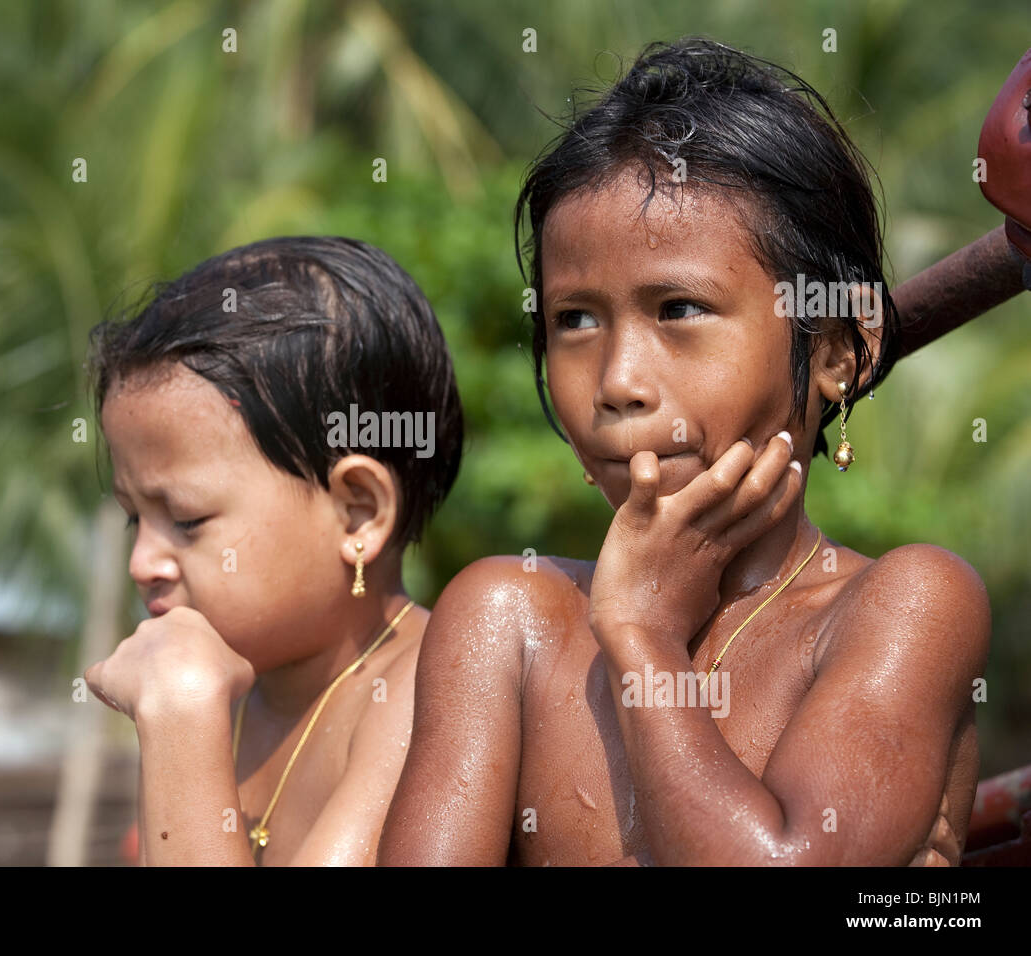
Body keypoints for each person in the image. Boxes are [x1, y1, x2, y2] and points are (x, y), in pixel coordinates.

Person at [379, 38, 986, 866]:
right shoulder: (508, 621)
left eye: (680, 308)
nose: (619, 380)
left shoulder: (906, 606)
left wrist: (642, 634)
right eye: (575, 320)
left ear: (839, 350)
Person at [82, 236, 462, 865]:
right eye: (133, 521)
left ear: (358, 512)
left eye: (187, 519)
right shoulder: (222, 696)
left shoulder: (423, 695)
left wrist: (180, 720)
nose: (142, 563)